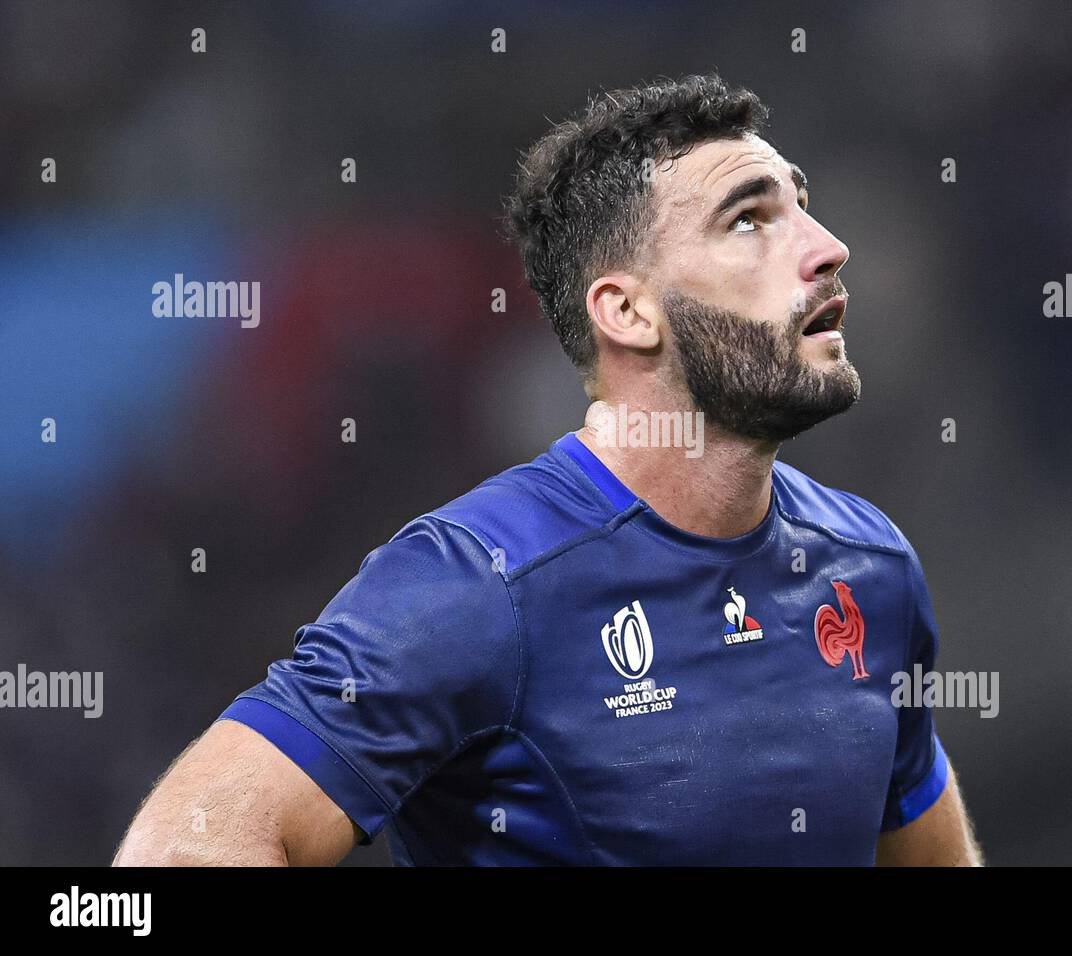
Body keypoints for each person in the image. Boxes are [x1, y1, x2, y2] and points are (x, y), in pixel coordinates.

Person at [114, 73, 982, 866]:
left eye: (802, 206)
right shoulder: (477, 584)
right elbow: (179, 852)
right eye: (749, 220)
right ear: (630, 311)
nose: (827, 248)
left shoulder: (870, 567)